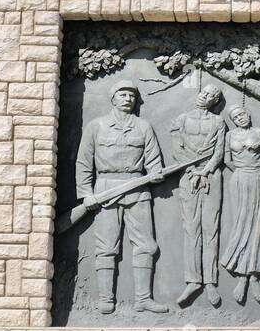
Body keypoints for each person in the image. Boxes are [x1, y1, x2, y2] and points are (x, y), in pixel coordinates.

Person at [75, 81, 168, 314]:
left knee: (146, 245)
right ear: (113, 98)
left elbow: (154, 161)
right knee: (106, 247)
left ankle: (143, 299)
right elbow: (84, 163)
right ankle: (106, 300)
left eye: (132, 95)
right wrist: (86, 194)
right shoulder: (96, 127)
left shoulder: (144, 127)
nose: (128, 98)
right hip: (106, 191)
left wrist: (156, 174)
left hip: (138, 190)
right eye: (123, 94)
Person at [169, 85, 227, 308]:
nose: (205, 97)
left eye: (211, 96)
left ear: (215, 101)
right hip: (188, 175)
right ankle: (193, 281)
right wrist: (193, 172)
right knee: (191, 229)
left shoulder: (219, 122)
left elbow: (219, 152)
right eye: (203, 93)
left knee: (210, 229)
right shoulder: (181, 120)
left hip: (211, 175)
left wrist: (204, 172)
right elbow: (177, 150)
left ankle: (210, 281)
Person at [219, 106, 260, 304]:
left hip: (259, 179)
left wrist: (255, 170)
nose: (240, 118)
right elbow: (227, 159)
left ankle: (254, 276)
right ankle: (241, 277)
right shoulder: (230, 136)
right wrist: (242, 171)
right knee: (241, 224)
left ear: (248, 114)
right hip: (240, 179)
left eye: (242, 114)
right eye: (235, 117)